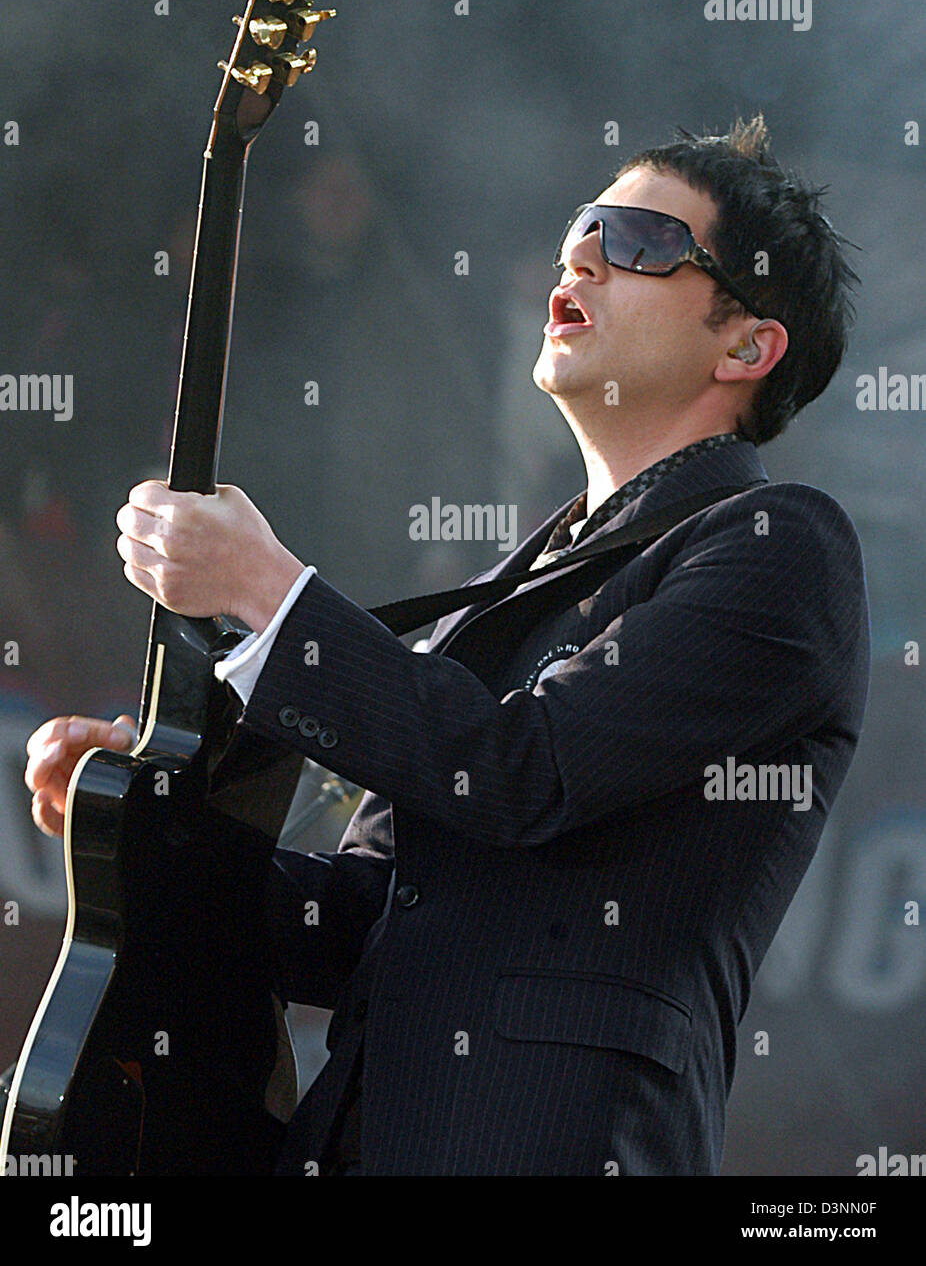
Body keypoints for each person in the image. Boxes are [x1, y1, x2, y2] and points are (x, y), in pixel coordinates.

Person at [26, 113, 871, 1175]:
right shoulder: (509, 587)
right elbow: (355, 923)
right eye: (582, 225)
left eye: (641, 242)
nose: (582, 254)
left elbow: (524, 768)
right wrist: (144, 826)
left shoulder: (776, 544)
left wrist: (267, 591)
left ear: (747, 345)